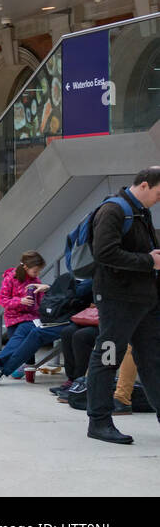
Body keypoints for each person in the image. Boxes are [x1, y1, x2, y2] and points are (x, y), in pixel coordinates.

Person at [82, 168, 160, 444]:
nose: (159, 200)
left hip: (144, 300)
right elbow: (104, 253)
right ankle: (99, 422)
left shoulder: (140, 212)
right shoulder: (114, 210)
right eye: (159, 193)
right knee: (107, 357)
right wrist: (149, 261)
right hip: (118, 299)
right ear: (146, 185)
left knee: (153, 360)